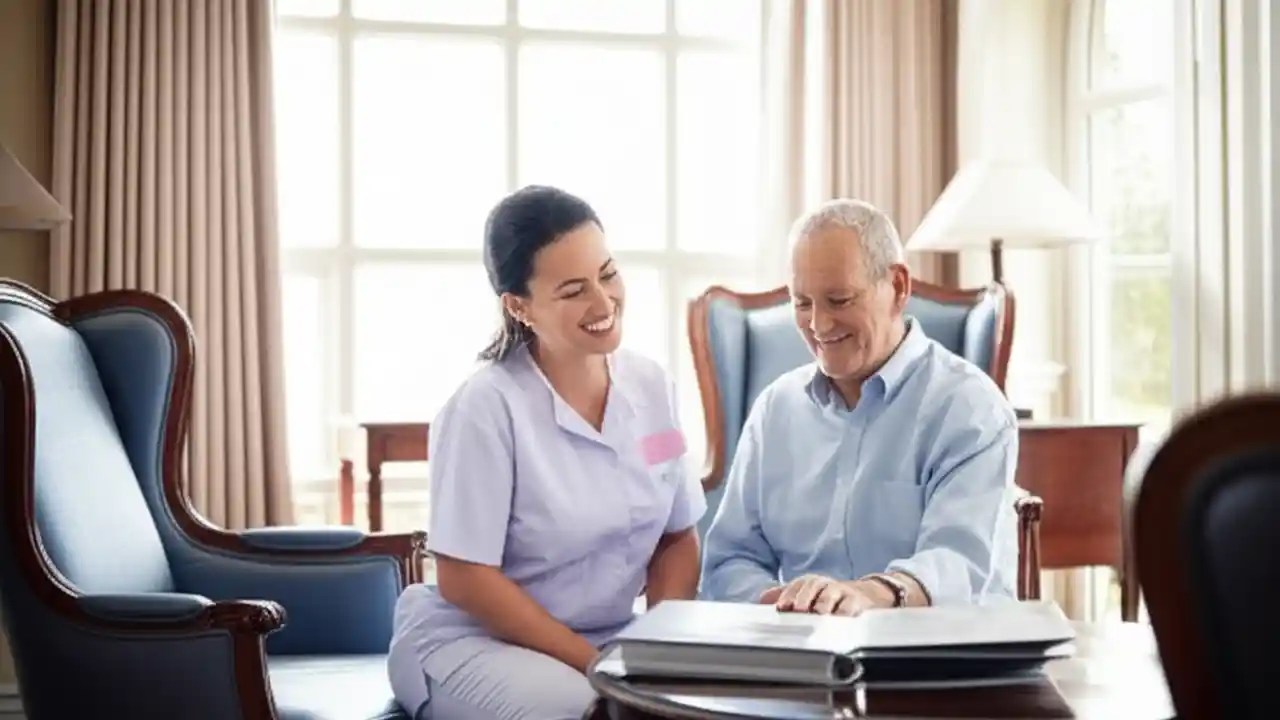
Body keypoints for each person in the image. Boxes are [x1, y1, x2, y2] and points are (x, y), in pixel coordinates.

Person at [387, 185, 705, 720]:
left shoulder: (653, 387)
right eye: (573, 290)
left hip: (613, 636)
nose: (603, 303)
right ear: (519, 305)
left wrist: (659, 649)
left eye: (607, 274)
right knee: (597, 713)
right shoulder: (484, 408)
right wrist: (597, 664)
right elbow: (466, 578)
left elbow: (677, 536)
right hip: (476, 642)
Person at [699, 198, 1019, 616]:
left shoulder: (970, 408)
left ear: (898, 287)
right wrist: (790, 604)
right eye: (802, 303)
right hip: (804, 657)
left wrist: (868, 595)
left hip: (938, 658)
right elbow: (729, 561)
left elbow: (958, 563)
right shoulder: (776, 410)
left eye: (839, 299)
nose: (818, 325)